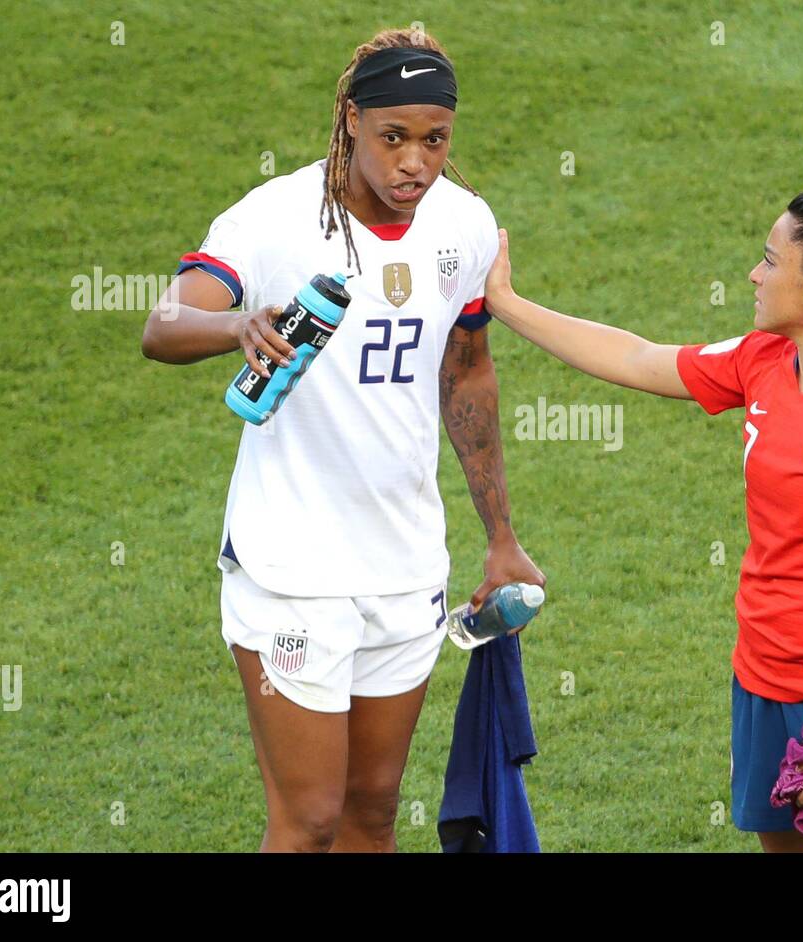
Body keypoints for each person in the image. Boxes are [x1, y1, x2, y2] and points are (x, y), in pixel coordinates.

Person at [140, 27, 544, 852]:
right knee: (309, 819)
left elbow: (466, 373)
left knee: (371, 814)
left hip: (403, 566)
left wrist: (501, 536)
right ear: (351, 120)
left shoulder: (463, 225)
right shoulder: (275, 220)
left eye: (435, 140)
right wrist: (234, 327)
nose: (415, 164)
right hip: (291, 568)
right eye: (394, 138)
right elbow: (163, 325)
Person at [483, 158, 803, 852]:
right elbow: (639, 358)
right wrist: (508, 304)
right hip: (765, 675)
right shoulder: (766, 358)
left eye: (769, 262)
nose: (755, 276)